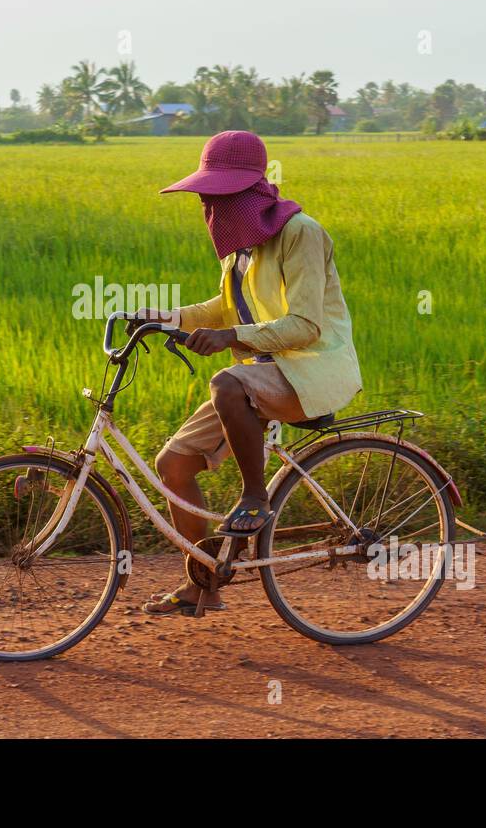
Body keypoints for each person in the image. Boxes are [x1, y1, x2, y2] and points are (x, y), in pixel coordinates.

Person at [133, 130, 362, 616]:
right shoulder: (243, 247)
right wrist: (160, 317)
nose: (210, 207)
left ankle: (255, 497)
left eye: (218, 195)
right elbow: (225, 308)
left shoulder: (301, 233)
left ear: (248, 190)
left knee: (225, 381)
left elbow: (304, 325)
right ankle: (203, 585)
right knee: (173, 465)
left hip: (312, 369)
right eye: (205, 197)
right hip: (263, 373)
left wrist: (233, 338)